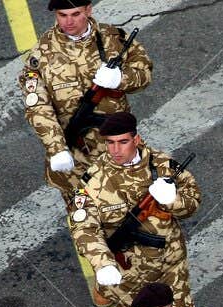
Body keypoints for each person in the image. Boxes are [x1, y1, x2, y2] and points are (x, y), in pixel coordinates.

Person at [19, 2, 154, 206]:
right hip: (74, 154)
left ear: (88, 10)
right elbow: (37, 107)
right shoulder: (40, 56)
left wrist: (121, 79)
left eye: (75, 14)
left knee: (134, 206)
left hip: (119, 147)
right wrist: (57, 148)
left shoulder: (114, 39)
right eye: (62, 15)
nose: (68, 22)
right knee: (85, 214)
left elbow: (144, 74)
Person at [67, 112, 199, 307]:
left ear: (136, 140)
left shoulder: (162, 165)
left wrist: (173, 200)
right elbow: (84, 227)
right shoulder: (93, 181)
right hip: (129, 277)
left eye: (123, 142)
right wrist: (103, 264)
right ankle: (105, 289)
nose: (116, 150)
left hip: (171, 265)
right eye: (110, 142)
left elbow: (193, 204)